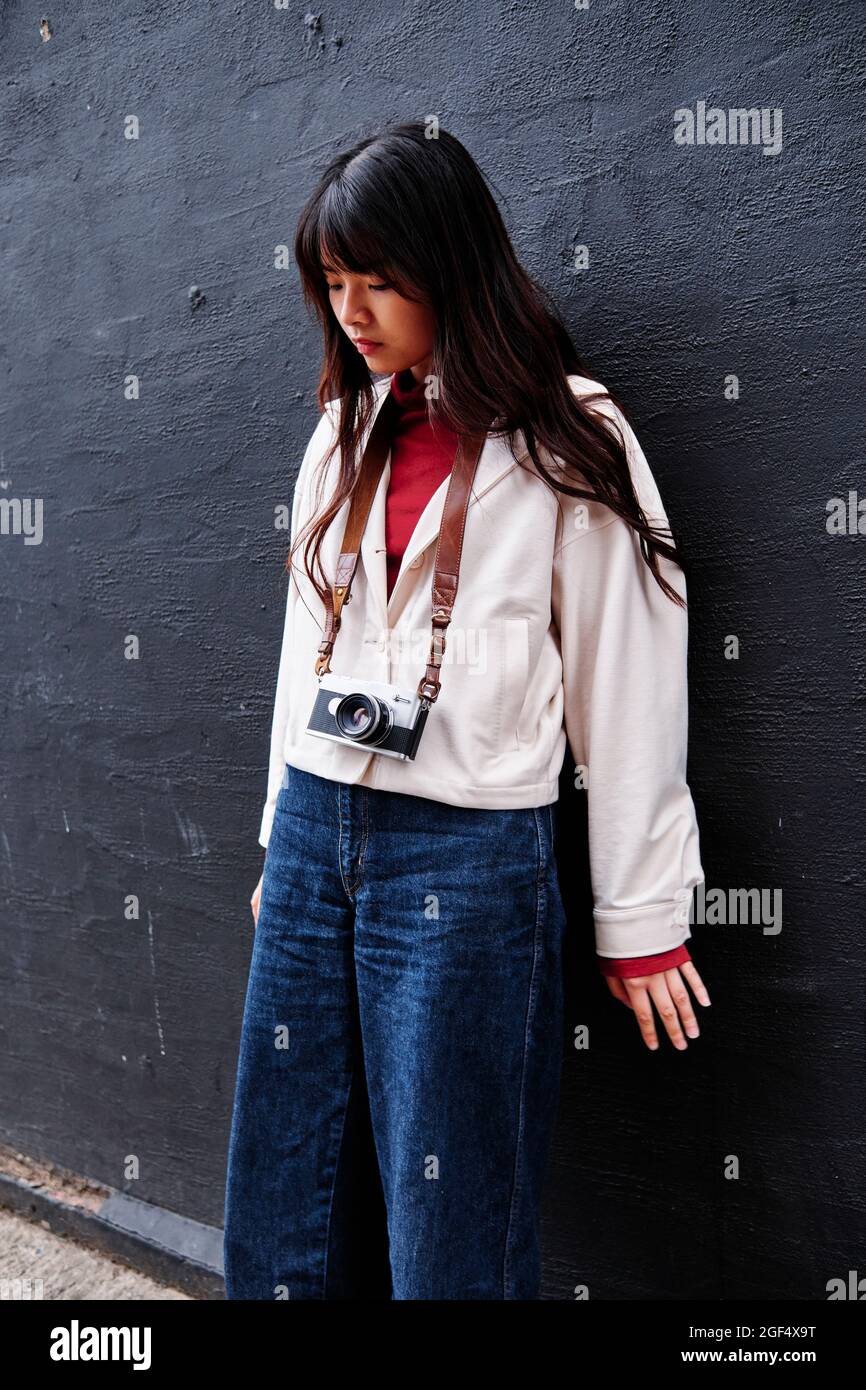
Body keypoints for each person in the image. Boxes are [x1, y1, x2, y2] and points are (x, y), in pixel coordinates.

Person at [223, 120, 710, 1301]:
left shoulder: (566, 432)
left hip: (469, 851)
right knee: (284, 1199)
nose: (350, 311)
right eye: (331, 282)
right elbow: (305, 645)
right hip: (316, 833)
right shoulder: (343, 428)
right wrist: (282, 835)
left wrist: (640, 913)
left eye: (378, 280)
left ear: (449, 264)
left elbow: (627, 674)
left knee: (451, 1222)